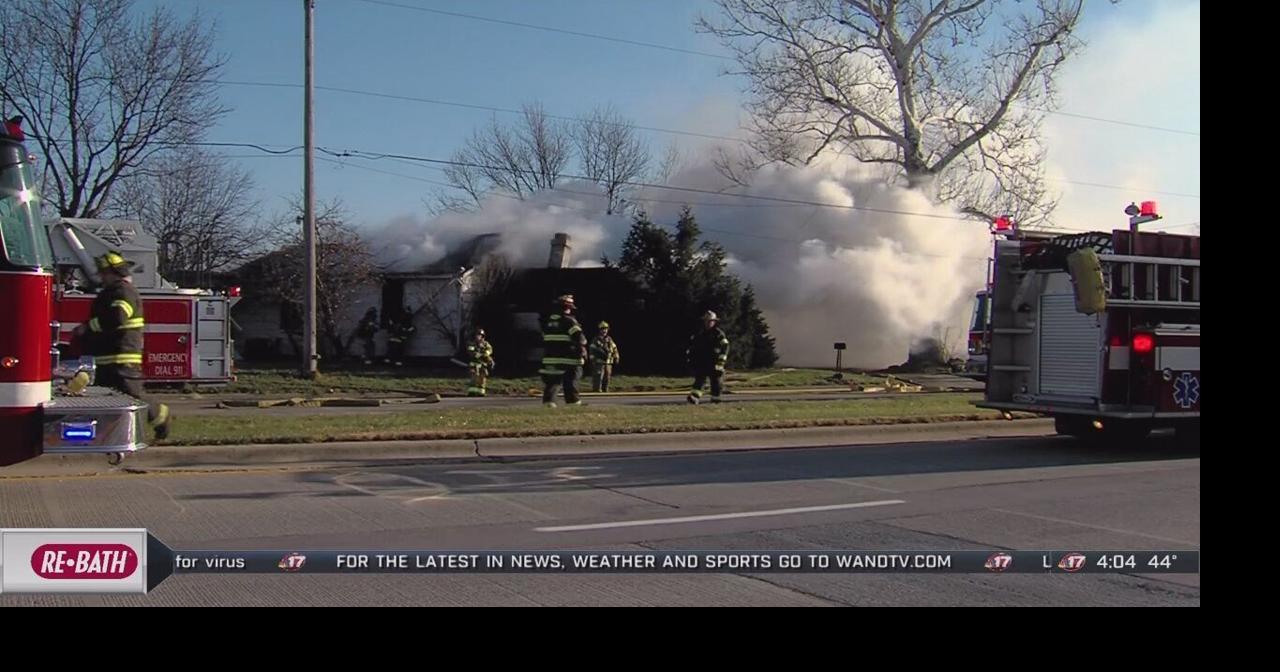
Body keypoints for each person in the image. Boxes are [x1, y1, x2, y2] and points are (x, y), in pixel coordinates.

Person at [72, 251, 172, 438]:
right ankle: (111, 436)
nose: (101, 278)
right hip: (108, 355)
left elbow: (116, 318)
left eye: (104, 273)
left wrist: (87, 328)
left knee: (130, 395)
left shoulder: (122, 292)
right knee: (107, 398)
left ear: (113, 272)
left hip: (121, 355)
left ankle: (161, 415)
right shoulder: (113, 291)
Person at [539, 294, 586, 408]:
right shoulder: (569, 321)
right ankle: (573, 402)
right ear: (567, 308)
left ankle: (549, 402)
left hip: (550, 358)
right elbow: (579, 338)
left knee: (553, 380)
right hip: (569, 358)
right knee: (571, 380)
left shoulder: (548, 322)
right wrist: (582, 351)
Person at [686, 310, 729, 404]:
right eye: (707, 321)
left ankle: (715, 398)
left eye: (710, 321)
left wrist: (721, 362)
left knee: (716, 380)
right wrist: (691, 358)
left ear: (714, 322)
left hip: (715, 362)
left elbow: (725, 347)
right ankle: (695, 397)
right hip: (702, 361)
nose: (708, 323)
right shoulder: (700, 333)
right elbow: (693, 346)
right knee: (700, 379)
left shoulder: (719, 334)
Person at [588, 321, 621, 392]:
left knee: (607, 376)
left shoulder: (609, 339)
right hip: (599, 362)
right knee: (598, 376)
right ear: (600, 330)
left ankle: (605, 390)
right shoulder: (596, 340)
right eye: (603, 329)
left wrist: (617, 356)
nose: (604, 330)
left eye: (606, 329)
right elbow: (591, 350)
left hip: (608, 362)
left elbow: (614, 348)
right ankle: (597, 390)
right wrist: (593, 360)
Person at [466, 328, 495, 397]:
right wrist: (477, 355)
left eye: (479, 335)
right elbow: (470, 351)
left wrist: (486, 354)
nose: (478, 336)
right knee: (474, 378)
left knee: (482, 378)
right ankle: (472, 392)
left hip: (482, 365)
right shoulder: (472, 343)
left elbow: (490, 350)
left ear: (482, 336)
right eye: (477, 335)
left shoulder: (485, 344)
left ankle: (481, 392)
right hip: (474, 364)